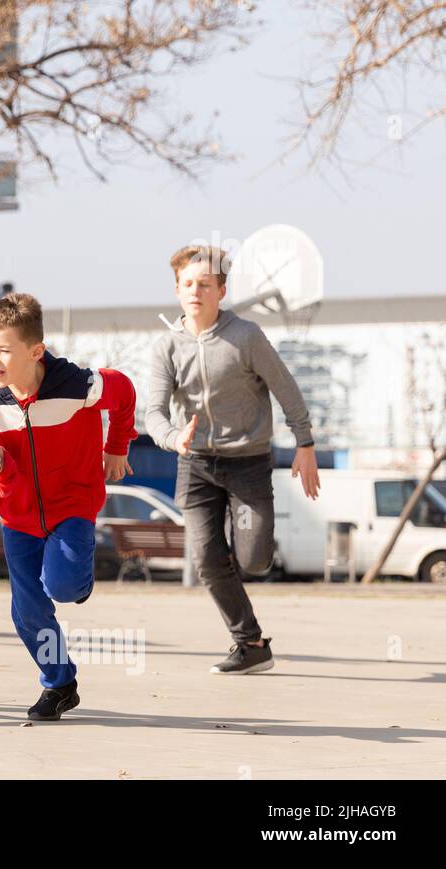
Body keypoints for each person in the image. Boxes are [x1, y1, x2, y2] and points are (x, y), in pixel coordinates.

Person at [146, 244, 320, 675]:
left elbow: (286, 388)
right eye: (188, 284)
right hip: (197, 463)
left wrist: (305, 443)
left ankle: (247, 542)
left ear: (221, 290)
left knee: (254, 560)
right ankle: (251, 643)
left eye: (205, 284)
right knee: (206, 557)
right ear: (177, 289)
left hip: (248, 462)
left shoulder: (245, 337)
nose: (195, 291)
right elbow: (153, 412)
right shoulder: (166, 346)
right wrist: (172, 438)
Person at [0, 293, 136, 720]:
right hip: (19, 519)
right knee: (26, 611)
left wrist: (116, 446)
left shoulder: (77, 384)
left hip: (73, 505)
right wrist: (0, 468)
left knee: (62, 586)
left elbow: (124, 391)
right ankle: (59, 684)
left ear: (35, 351)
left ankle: (77, 582)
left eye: (4, 350)